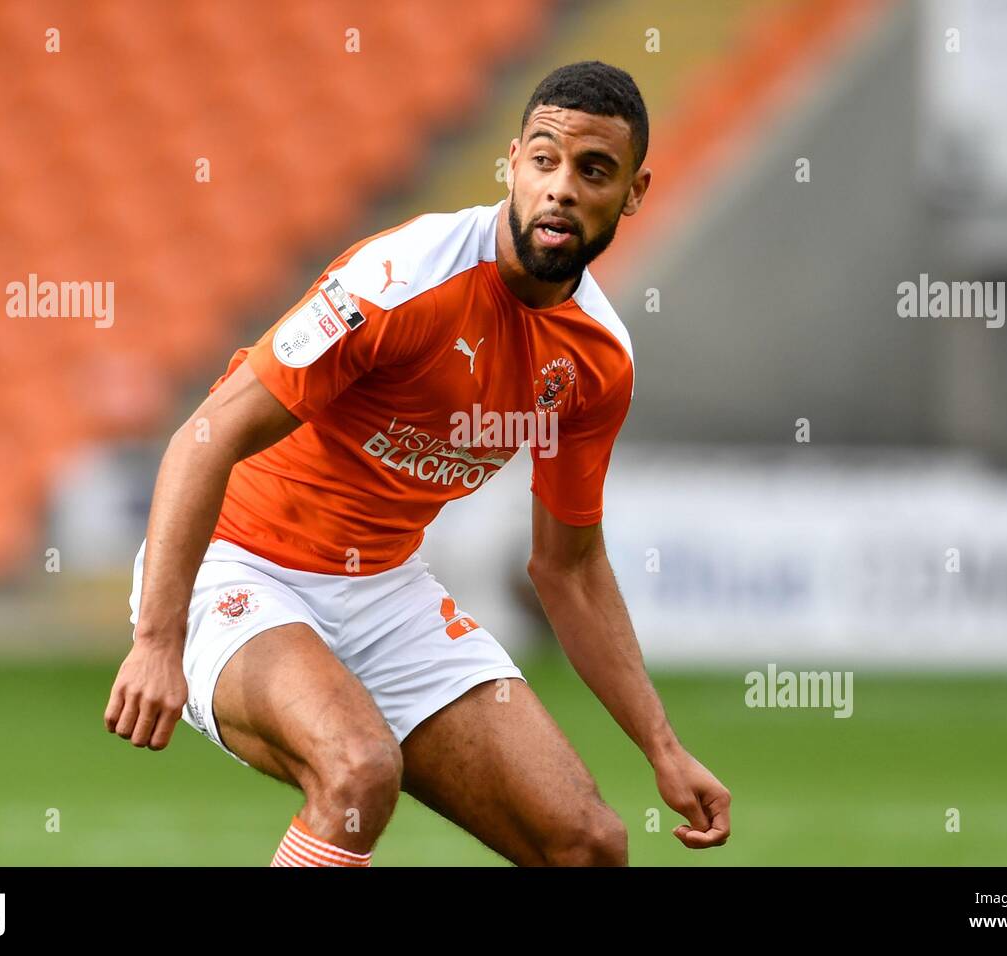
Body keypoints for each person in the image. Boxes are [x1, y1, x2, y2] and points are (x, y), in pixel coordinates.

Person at [104, 60, 731, 866]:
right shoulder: (403, 279)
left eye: (593, 170)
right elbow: (206, 434)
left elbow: (567, 569)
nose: (562, 188)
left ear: (635, 193)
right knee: (359, 770)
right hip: (237, 567)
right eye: (544, 160)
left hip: (381, 590)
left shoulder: (599, 358)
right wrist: (157, 638)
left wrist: (662, 746)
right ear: (512, 163)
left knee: (587, 846)